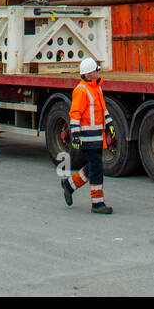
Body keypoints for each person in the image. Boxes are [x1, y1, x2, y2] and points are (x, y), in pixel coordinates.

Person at [61, 57, 114, 215]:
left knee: (92, 166)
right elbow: (75, 114)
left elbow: (103, 110)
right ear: (90, 74)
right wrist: (76, 136)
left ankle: (69, 185)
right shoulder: (81, 90)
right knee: (96, 169)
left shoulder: (96, 88)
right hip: (88, 138)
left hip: (97, 137)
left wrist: (109, 124)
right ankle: (97, 203)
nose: (99, 72)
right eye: (97, 70)